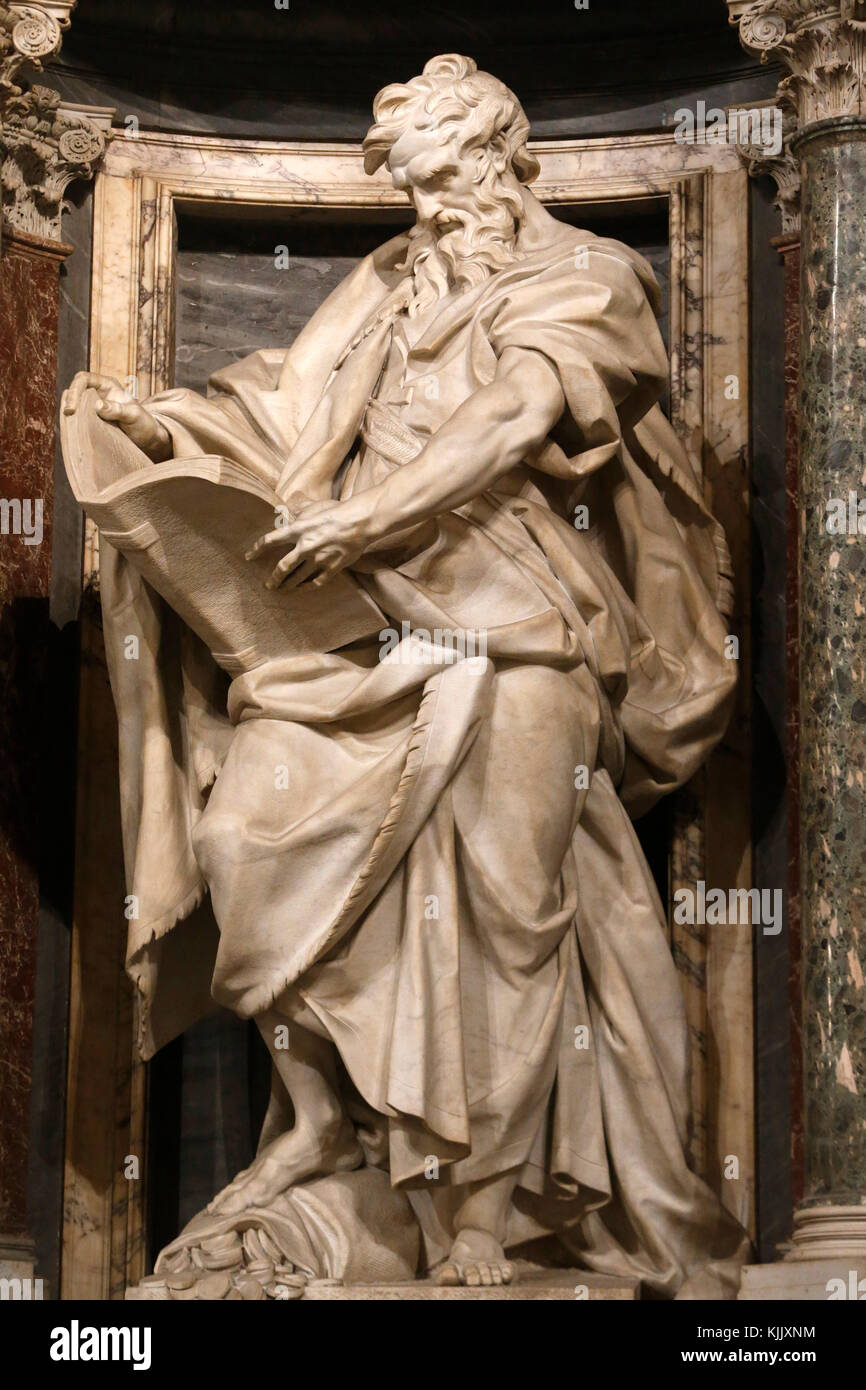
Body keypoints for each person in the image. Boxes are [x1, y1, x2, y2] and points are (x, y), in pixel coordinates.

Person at [64, 54, 746, 1295]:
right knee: (247, 841)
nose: (426, 212)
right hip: (360, 635)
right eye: (413, 191)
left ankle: (480, 1211)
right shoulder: (392, 282)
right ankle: (330, 1125)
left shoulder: (589, 276)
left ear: (500, 159)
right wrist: (169, 427)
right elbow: (287, 408)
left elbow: (508, 418)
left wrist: (366, 520)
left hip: (524, 636)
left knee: (505, 917)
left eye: (442, 183)